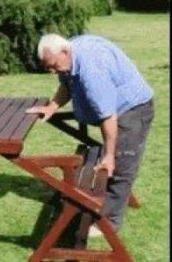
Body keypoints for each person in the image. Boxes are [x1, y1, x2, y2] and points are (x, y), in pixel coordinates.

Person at [26, 33, 154, 235]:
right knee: (114, 160)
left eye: (53, 66)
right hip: (117, 110)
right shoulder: (70, 55)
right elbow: (67, 85)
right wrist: (52, 107)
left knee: (120, 167)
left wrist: (109, 156)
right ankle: (111, 205)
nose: (51, 71)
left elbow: (107, 116)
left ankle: (110, 223)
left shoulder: (92, 69)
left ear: (65, 52)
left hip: (132, 110)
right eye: (48, 67)